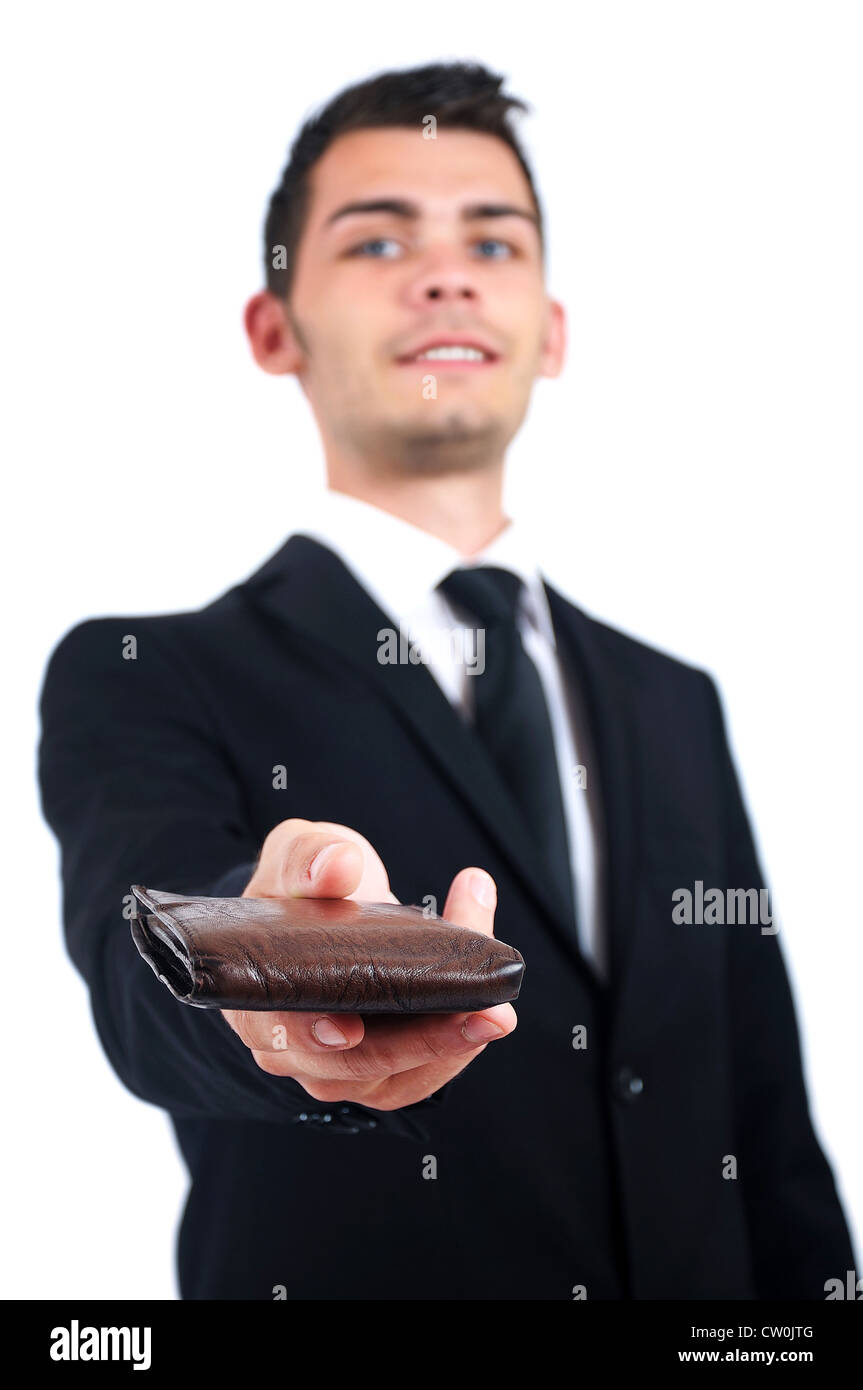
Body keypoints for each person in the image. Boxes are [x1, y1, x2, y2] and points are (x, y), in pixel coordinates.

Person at [38, 60, 854, 1301]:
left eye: (494, 239)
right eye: (375, 241)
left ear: (551, 327)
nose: (446, 270)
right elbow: (135, 974)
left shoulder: (670, 699)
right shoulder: (148, 671)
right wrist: (263, 978)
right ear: (274, 329)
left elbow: (763, 1114)